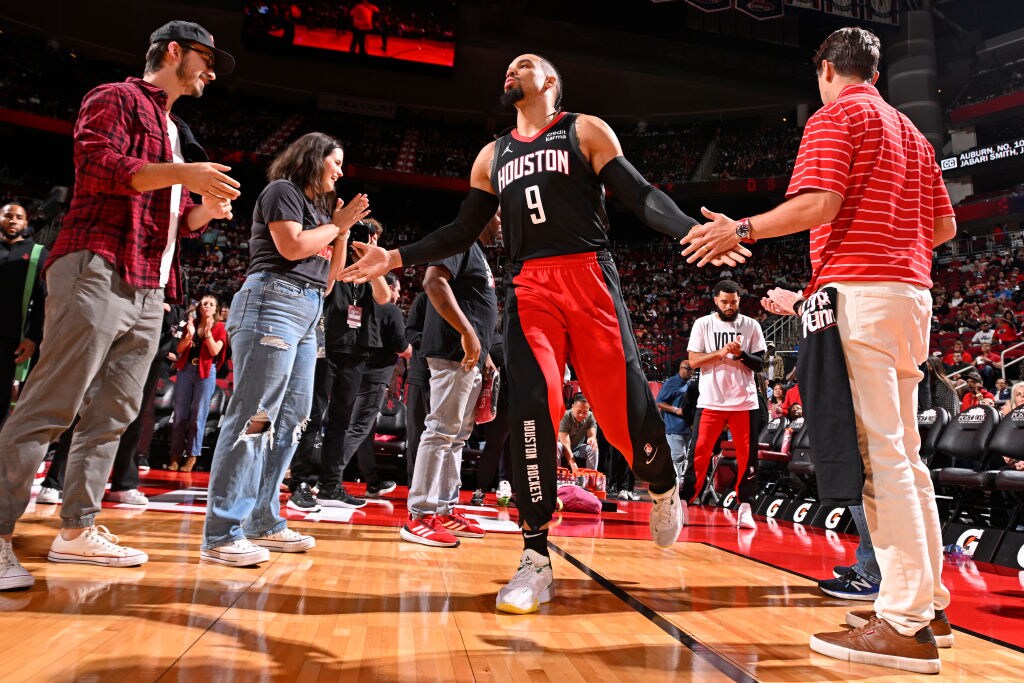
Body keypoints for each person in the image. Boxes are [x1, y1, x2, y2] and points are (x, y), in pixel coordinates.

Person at [340, 53, 748, 613]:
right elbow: (461, 229)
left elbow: (642, 197)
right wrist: (395, 257)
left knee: (622, 413)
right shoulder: (492, 156)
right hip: (530, 286)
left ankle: (661, 485)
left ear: (550, 81)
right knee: (533, 407)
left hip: (589, 276)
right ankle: (535, 556)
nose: (511, 70)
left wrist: (692, 230)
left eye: (524, 64)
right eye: (508, 67)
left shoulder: (585, 130)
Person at [682, 27, 956, 674]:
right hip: (910, 295)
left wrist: (741, 228)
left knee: (880, 459)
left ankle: (904, 622)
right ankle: (927, 606)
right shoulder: (913, 134)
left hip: (863, 297)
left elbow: (821, 202)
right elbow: (944, 226)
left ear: (827, 68)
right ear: (876, 73)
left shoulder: (838, 116)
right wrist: (888, 252)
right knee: (905, 455)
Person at [0, 20, 239, 589]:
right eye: (206, 60)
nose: (210, 73)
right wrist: (184, 173)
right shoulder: (115, 97)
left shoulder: (176, 131)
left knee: (113, 414)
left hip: (150, 286)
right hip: (98, 265)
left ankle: (77, 529)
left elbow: (172, 219)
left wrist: (203, 212)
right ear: (174, 51)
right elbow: (99, 166)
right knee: (50, 406)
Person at [200, 132, 370, 566]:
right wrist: (335, 225)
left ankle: (262, 519)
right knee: (255, 416)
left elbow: (329, 281)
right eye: (336, 161)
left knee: (292, 421)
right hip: (272, 302)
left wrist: (340, 231)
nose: (340, 171)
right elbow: (291, 246)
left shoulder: (322, 212)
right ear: (313, 158)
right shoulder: (283, 191)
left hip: (309, 311)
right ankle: (222, 532)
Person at [400, 216, 500, 547]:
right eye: (499, 215)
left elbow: (474, 306)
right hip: (453, 352)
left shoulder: (477, 251)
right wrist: (467, 332)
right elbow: (433, 282)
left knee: (456, 438)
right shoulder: (461, 241)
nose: (503, 223)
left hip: (470, 356)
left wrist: (485, 353)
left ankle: (444, 510)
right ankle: (420, 515)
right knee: (441, 432)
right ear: (484, 213)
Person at [683, 280, 766, 529]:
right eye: (725, 302)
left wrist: (740, 354)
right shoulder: (703, 324)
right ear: (715, 301)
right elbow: (693, 361)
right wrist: (720, 353)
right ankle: (684, 503)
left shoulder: (751, 325)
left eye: (734, 302)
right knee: (698, 455)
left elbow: (760, 364)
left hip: (744, 402)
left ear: (739, 300)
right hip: (711, 400)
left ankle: (745, 508)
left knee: (748, 458)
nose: (729, 306)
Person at [345, 270, 410, 498]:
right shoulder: (391, 310)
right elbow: (401, 346)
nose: (398, 296)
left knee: (363, 429)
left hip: (353, 372)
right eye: (397, 290)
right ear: (388, 287)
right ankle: (327, 478)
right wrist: (415, 352)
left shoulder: (358, 305)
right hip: (375, 376)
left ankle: (372, 482)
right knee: (359, 429)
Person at [0, 202, 47, 426]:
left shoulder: (38, 254)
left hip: (10, 340)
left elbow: (43, 301)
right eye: (8, 215)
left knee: (2, 396)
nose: (13, 220)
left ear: (26, 223)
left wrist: (33, 337)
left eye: (19, 217)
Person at [169, 294, 227, 472]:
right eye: (204, 303)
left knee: (198, 416)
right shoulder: (191, 324)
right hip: (186, 370)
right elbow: (179, 349)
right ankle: (175, 455)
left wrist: (208, 334)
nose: (207, 306)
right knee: (180, 415)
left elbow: (215, 351)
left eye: (211, 304)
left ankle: (192, 456)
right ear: (200, 307)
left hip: (206, 372)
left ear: (216, 309)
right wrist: (189, 336)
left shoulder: (220, 327)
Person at [655, 360, 693, 482]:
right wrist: (675, 410)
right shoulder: (672, 382)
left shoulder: (690, 384)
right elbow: (659, 402)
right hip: (675, 428)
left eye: (693, 370)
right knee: (677, 458)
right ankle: (673, 485)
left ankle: (680, 485)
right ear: (682, 368)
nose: (691, 372)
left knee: (685, 459)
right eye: (689, 369)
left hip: (687, 428)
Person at [557, 394, 599, 474]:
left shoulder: (590, 416)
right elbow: (565, 444)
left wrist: (592, 440)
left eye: (585, 412)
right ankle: (556, 475)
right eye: (579, 411)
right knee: (558, 446)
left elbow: (592, 436)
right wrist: (572, 463)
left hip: (577, 448)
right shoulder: (565, 416)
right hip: (563, 448)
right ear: (572, 406)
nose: (581, 415)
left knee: (593, 448)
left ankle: (591, 476)